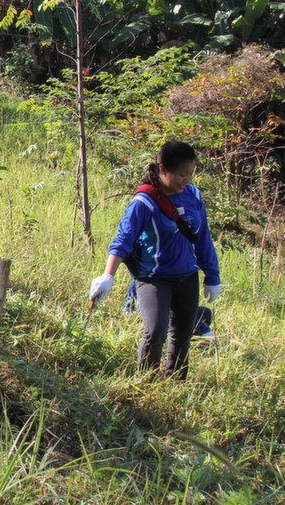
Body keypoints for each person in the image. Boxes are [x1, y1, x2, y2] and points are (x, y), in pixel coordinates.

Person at [88, 141, 221, 379]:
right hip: (154, 278)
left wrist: (212, 275)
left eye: (191, 173)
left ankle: (176, 384)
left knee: (182, 336)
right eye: (181, 174)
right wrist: (108, 276)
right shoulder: (144, 202)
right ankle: (146, 384)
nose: (187, 179)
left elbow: (203, 237)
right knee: (156, 331)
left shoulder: (193, 196)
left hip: (187, 277)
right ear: (163, 169)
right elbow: (123, 240)